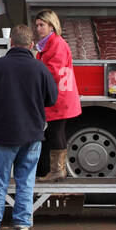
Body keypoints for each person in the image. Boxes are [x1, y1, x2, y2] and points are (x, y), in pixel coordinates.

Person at [0, 24, 58, 230]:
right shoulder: (40, 68)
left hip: (3, 133)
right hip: (32, 133)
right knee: (26, 181)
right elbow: (52, 99)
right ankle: (22, 226)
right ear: (31, 45)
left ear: (10, 43)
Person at [32, 10, 81, 181]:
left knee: (56, 132)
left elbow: (53, 71)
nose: (38, 28)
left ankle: (57, 171)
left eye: (41, 25)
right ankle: (57, 171)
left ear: (51, 26)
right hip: (58, 95)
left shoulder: (56, 44)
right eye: (37, 25)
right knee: (55, 132)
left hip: (59, 96)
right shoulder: (50, 43)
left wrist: (35, 71)